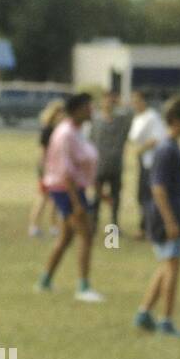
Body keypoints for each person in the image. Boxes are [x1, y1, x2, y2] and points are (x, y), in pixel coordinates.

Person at [134, 97, 180, 338]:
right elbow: (158, 188)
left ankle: (144, 313)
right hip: (166, 217)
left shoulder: (171, 146)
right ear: (177, 121)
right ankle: (166, 321)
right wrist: (171, 221)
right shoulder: (166, 149)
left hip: (172, 214)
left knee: (166, 265)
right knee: (173, 267)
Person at [34, 92, 105, 301]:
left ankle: (45, 280)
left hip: (73, 188)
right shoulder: (65, 134)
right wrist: (77, 203)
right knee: (86, 235)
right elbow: (65, 172)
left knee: (65, 238)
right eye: (88, 107)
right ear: (77, 110)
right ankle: (83, 287)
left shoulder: (77, 131)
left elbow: (84, 164)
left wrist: (99, 192)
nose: (92, 110)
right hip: (66, 190)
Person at [90, 89, 133, 232]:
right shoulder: (95, 120)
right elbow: (89, 141)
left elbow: (131, 113)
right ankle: (93, 224)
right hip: (99, 165)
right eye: (106, 100)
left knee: (115, 197)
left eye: (111, 100)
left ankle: (113, 227)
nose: (108, 103)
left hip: (115, 165)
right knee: (97, 196)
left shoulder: (121, 120)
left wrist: (120, 103)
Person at [128, 90, 169, 241]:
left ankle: (150, 228)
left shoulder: (152, 117)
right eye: (133, 101)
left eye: (137, 101)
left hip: (152, 162)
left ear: (144, 101)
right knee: (142, 196)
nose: (134, 104)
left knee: (150, 196)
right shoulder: (137, 118)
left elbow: (158, 138)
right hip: (143, 161)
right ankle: (146, 227)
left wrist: (141, 148)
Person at [28, 99, 66, 236]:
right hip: (47, 169)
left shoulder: (60, 130)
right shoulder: (47, 130)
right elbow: (42, 151)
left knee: (55, 199)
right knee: (43, 197)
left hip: (57, 169)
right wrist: (44, 170)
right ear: (55, 114)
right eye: (60, 113)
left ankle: (53, 226)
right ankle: (34, 226)